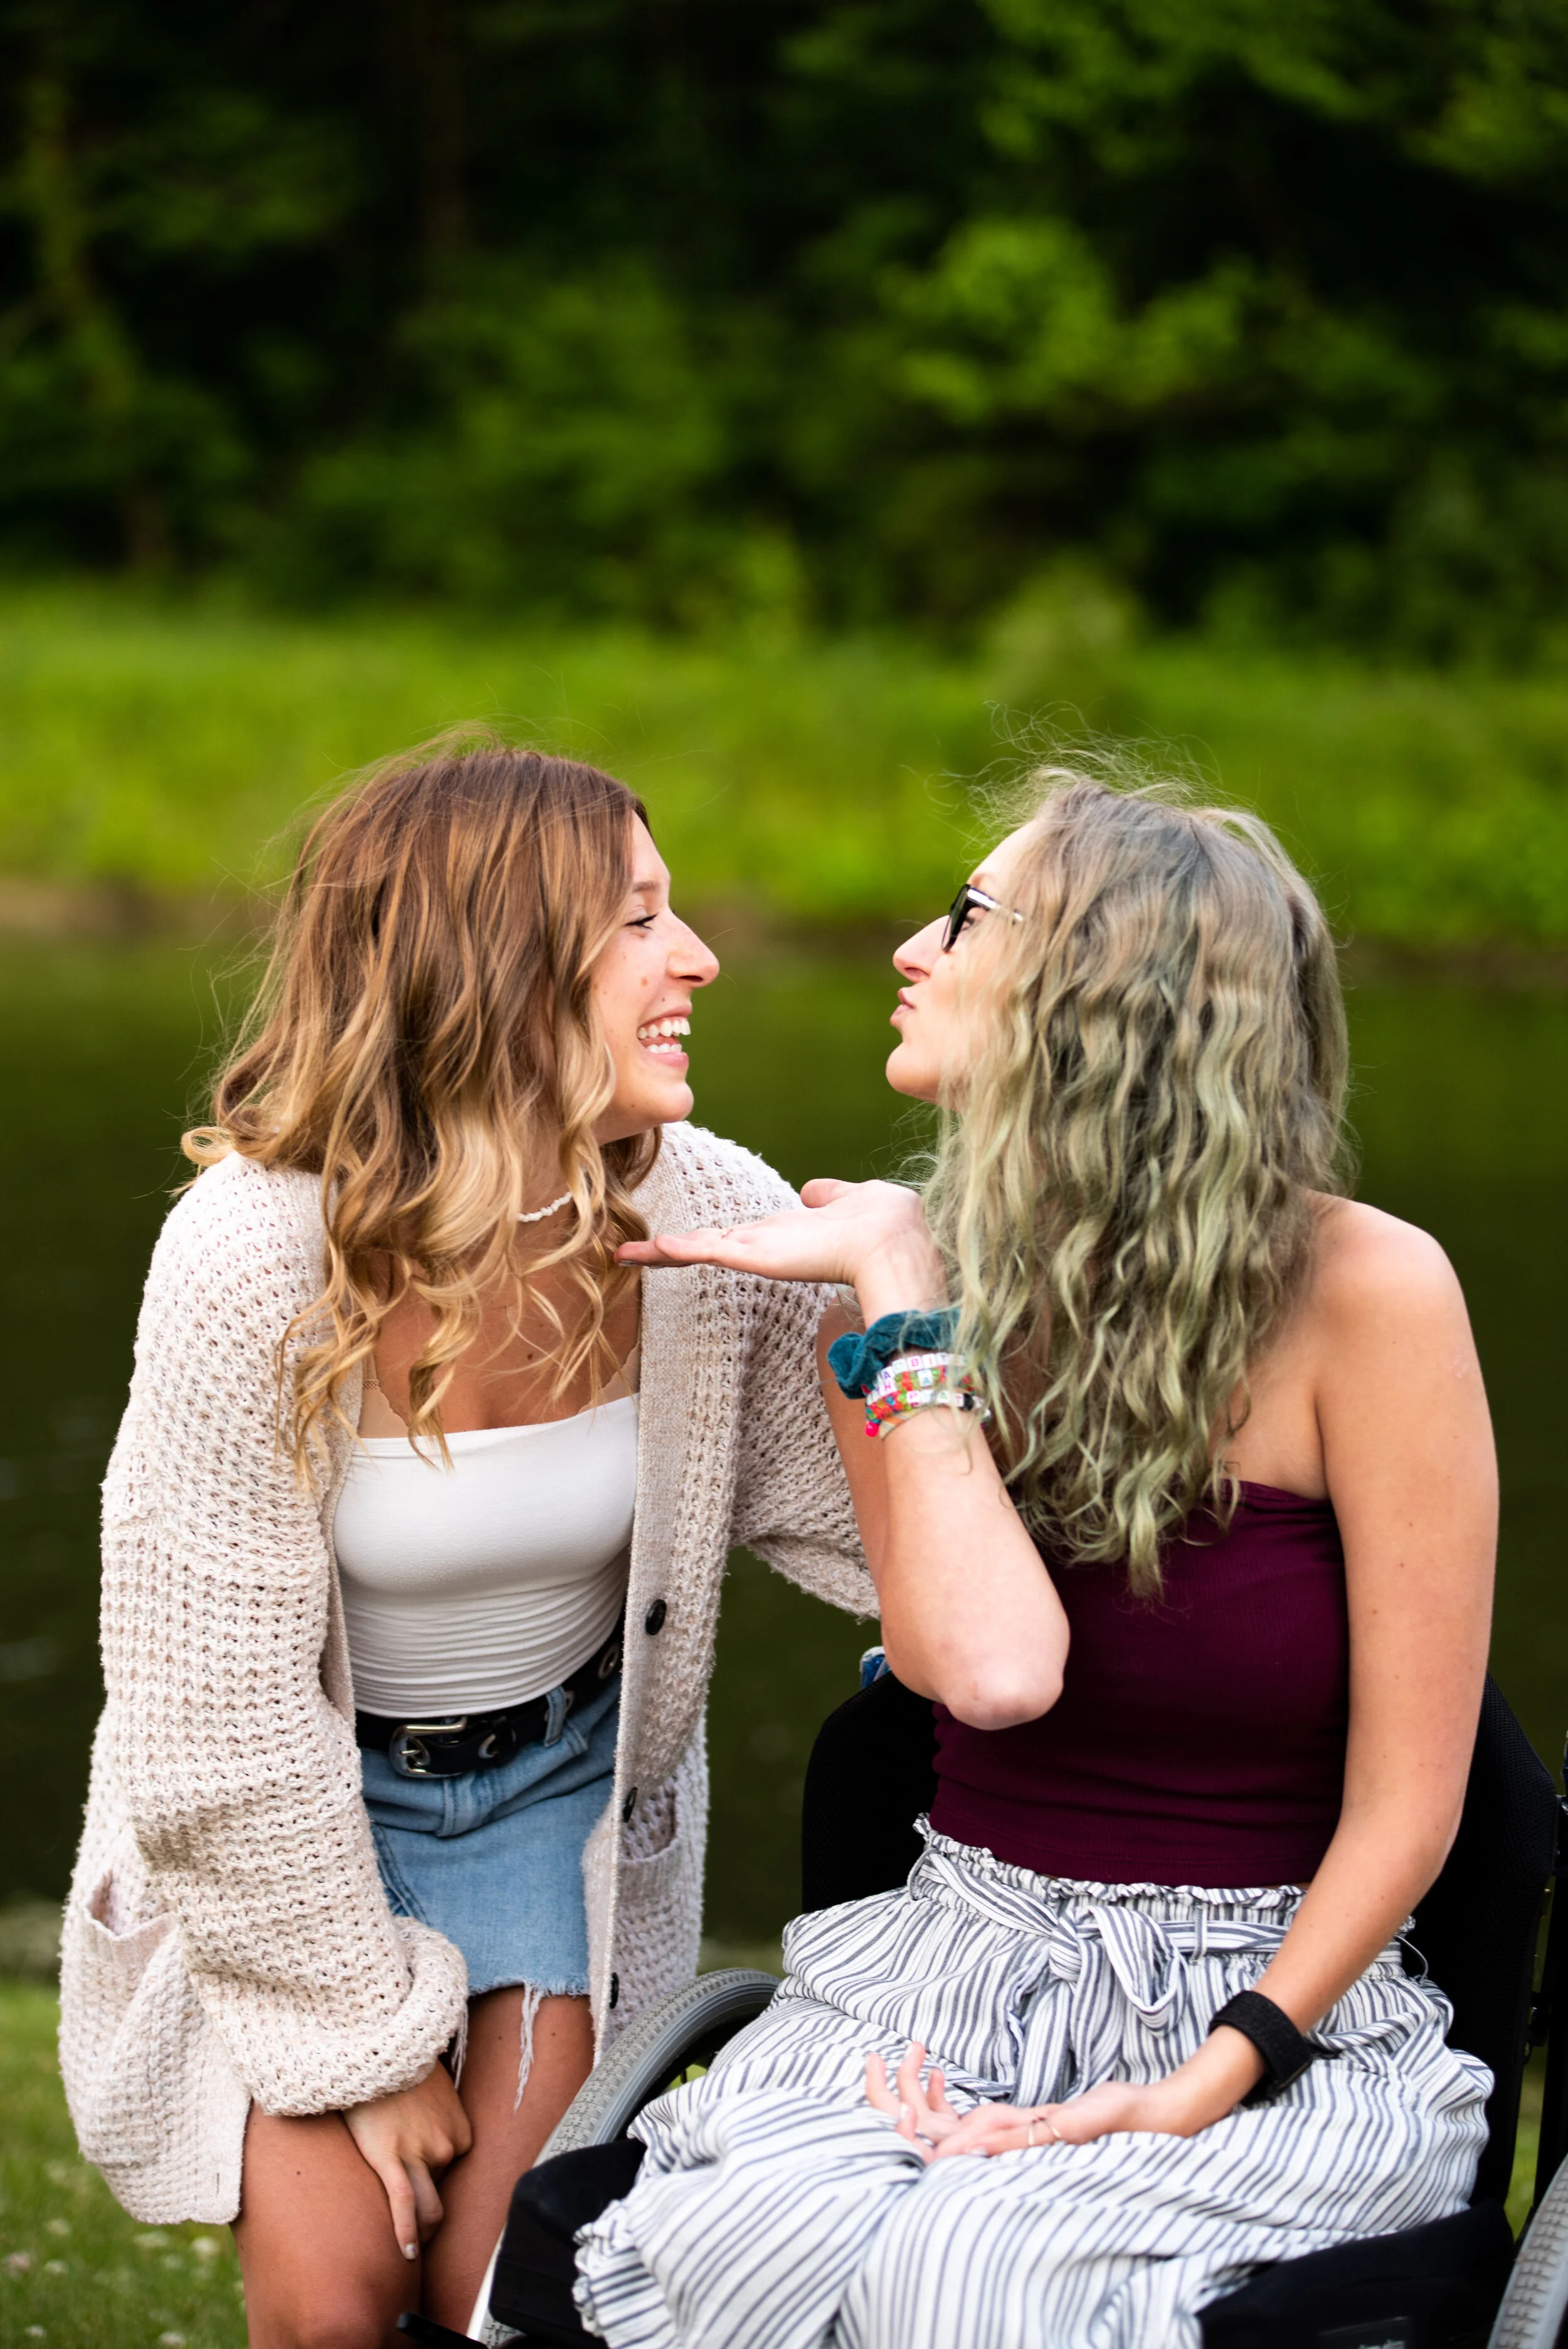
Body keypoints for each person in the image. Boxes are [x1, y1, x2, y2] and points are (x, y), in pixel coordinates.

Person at [575, 770, 1497, 2349]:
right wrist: (894, 1288)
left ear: (1111, 994)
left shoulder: (1373, 1295)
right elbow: (961, 1671)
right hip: (955, 1951)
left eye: (969, 919)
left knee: (967, 2281)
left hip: (1272, 1993)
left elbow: (1413, 1802)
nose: (912, 953)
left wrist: (1214, 2070)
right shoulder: (903, 1287)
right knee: (746, 2254)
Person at [57, 738, 871, 2349]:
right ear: (496, 968)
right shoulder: (248, 1257)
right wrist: (361, 2053)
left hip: (553, 1812)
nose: (696, 957)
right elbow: (206, 1716)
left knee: (502, 2291)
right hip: (297, 1812)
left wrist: (907, 1311)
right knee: (331, 2304)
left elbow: (890, 1551)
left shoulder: (698, 1216)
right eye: (641, 921)